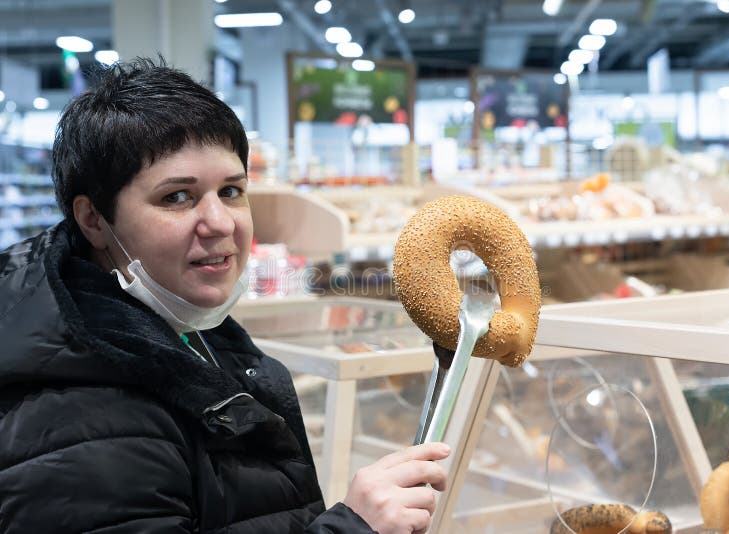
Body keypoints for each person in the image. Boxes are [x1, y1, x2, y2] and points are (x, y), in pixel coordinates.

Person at [0, 57, 450, 533]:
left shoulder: (185, 329)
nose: (221, 223)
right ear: (93, 219)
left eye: (232, 190)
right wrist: (354, 526)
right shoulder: (79, 420)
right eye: (177, 196)